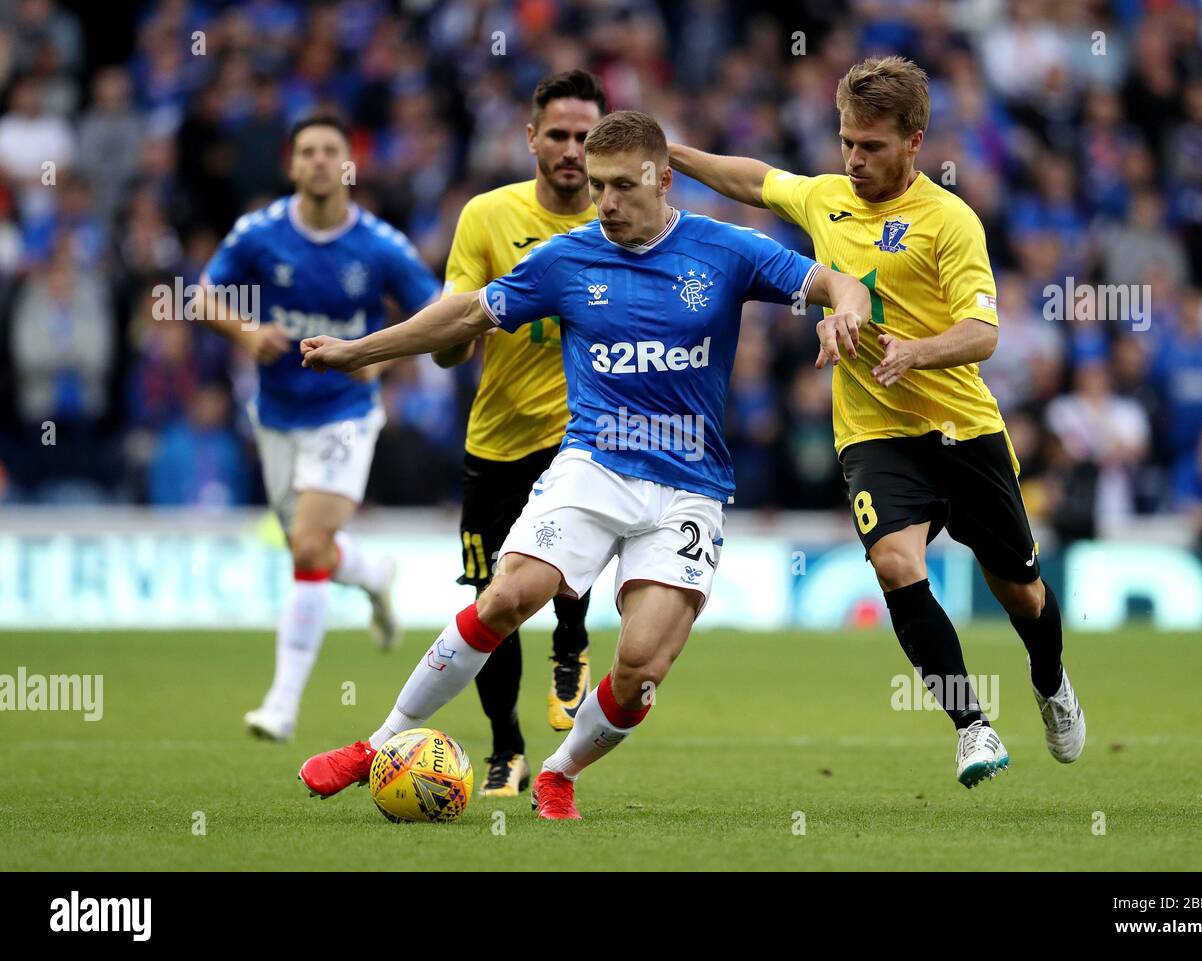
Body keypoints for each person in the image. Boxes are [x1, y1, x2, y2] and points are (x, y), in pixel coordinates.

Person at [295, 110, 871, 819]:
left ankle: (559, 772)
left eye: (623, 186)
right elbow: (465, 314)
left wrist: (843, 310)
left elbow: (841, 282)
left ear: (664, 180)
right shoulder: (566, 259)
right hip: (594, 464)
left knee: (640, 667)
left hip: (689, 489)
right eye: (597, 186)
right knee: (506, 597)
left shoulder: (724, 249)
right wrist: (360, 352)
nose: (606, 203)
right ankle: (375, 742)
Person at [669, 55, 1085, 788]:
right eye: (846, 142)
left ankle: (1049, 679)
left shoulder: (949, 222)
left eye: (872, 146)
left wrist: (920, 352)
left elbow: (984, 331)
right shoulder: (828, 197)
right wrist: (666, 152)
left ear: (914, 142)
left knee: (1021, 591)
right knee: (896, 563)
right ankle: (972, 725)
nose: (854, 160)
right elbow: (752, 179)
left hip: (961, 427)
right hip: (873, 433)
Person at [198, 114, 439, 741]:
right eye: (307, 151)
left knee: (306, 549)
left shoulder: (381, 246)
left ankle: (280, 705)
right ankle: (373, 575)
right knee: (313, 548)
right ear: (291, 163)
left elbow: (441, 315)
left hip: (345, 415)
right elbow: (201, 296)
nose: (319, 161)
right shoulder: (261, 233)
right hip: (276, 415)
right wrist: (246, 332)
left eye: (331, 150)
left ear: (349, 162)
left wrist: (377, 357)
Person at [432, 71, 606, 798]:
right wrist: (449, 338)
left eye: (586, 138)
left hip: (580, 436)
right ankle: (506, 744)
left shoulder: (618, 218)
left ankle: (572, 639)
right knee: (489, 601)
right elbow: (450, 325)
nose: (572, 150)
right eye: (559, 135)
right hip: (495, 440)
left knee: (567, 565)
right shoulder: (487, 217)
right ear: (532, 137)